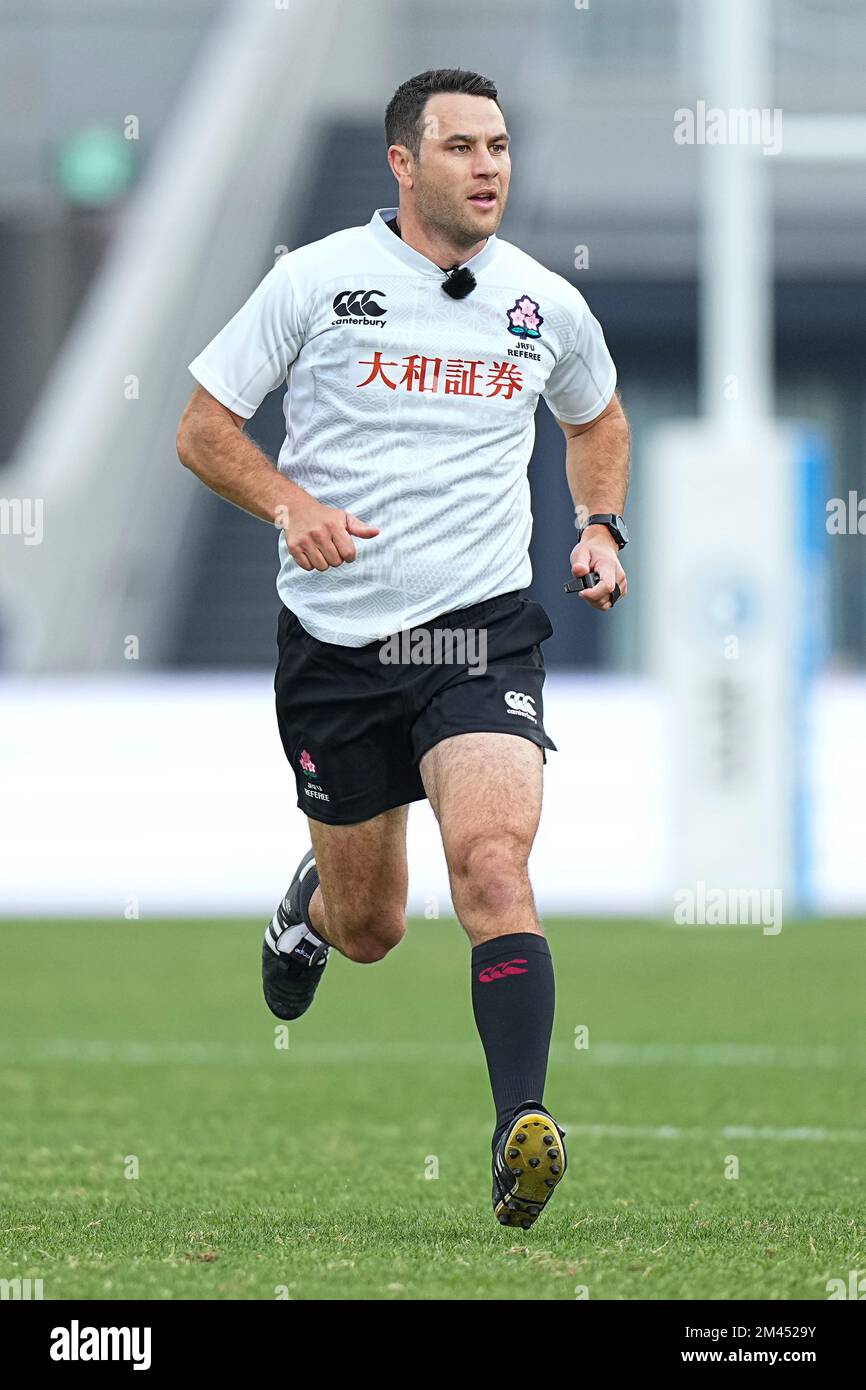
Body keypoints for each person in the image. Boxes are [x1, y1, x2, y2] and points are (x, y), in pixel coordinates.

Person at [177, 68, 630, 1230]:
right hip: (337, 648)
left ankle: (517, 1128)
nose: (489, 167)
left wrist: (596, 524)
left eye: (500, 146)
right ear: (402, 163)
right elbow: (203, 428)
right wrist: (290, 507)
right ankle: (309, 912)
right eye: (463, 147)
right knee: (373, 926)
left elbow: (596, 417)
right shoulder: (315, 280)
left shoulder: (540, 303)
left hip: (480, 634)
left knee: (491, 867)